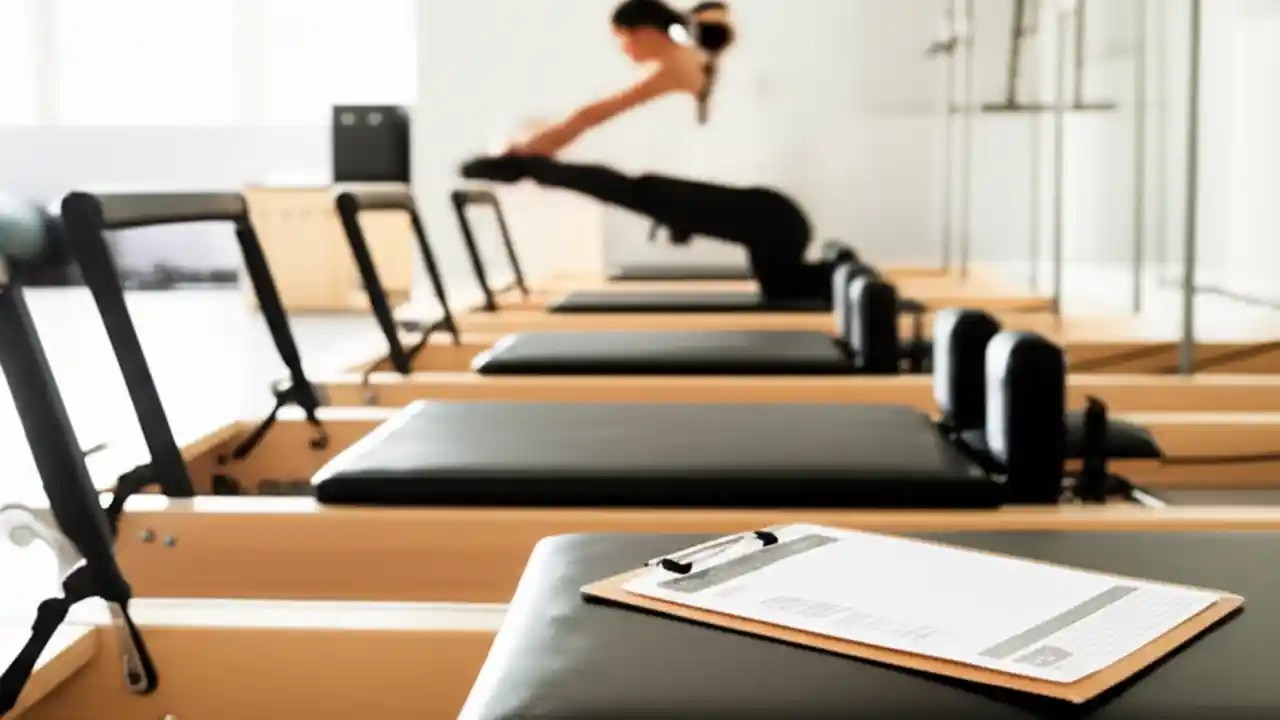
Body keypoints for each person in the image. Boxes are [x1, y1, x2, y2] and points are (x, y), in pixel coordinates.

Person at [471, 0, 839, 303]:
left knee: (632, 190)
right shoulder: (693, 63)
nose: (624, 49)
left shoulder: (677, 65)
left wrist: (529, 154)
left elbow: (591, 116)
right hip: (776, 218)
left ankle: (529, 168)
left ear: (646, 31)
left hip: (773, 220)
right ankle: (531, 168)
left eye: (623, 38)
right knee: (783, 287)